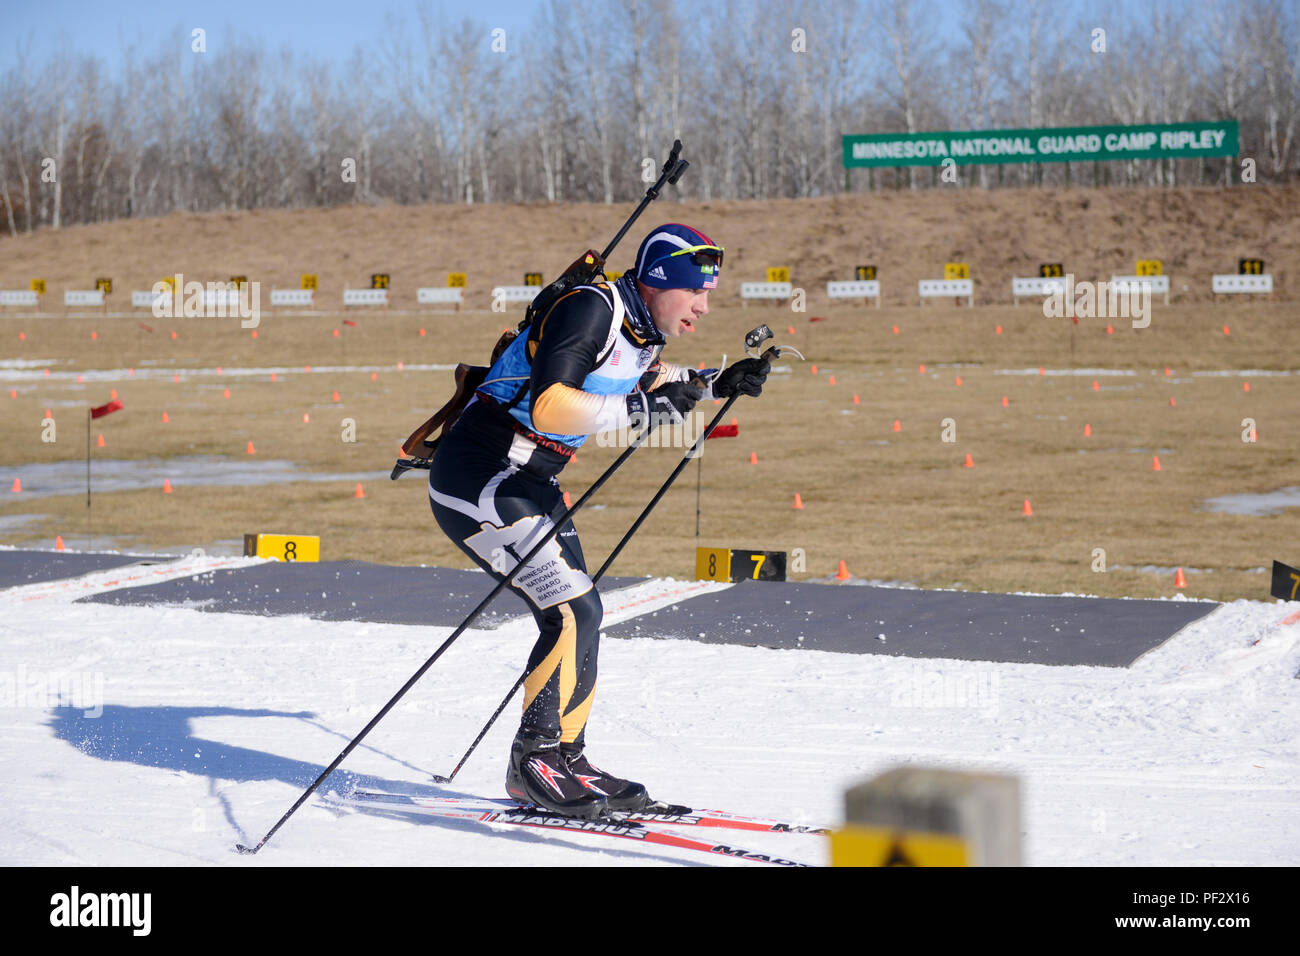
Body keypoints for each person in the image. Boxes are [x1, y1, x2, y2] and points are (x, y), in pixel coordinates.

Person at [427, 223, 769, 818]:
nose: (704, 307)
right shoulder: (592, 309)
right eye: (697, 293)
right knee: (571, 608)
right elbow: (550, 402)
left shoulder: (640, 327)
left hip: (531, 480)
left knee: (584, 610)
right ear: (662, 282)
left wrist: (716, 382)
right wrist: (639, 408)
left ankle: (563, 757)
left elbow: (641, 381)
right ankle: (534, 763)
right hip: (479, 473)